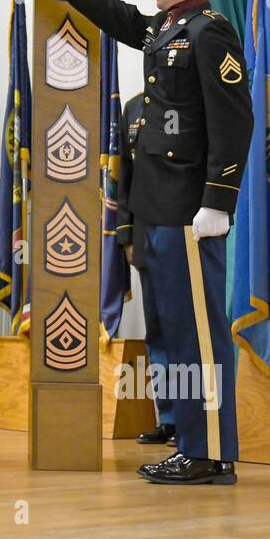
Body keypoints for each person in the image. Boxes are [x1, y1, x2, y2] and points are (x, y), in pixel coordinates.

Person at [0, 0, 252, 484]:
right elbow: (110, 13)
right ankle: (187, 441)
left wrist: (218, 199)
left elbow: (234, 121)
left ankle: (210, 451)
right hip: (157, 208)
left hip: (190, 212)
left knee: (198, 335)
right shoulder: (164, 29)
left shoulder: (210, 32)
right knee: (171, 330)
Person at [116, 91, 175, 447]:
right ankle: (168, 417)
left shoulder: (189, 99)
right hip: (144, 232)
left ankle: (192, 419)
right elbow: (125, 175)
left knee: (184, 330)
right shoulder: (134, 107)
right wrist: (126, 234)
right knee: (157, 330)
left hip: (182, 230)